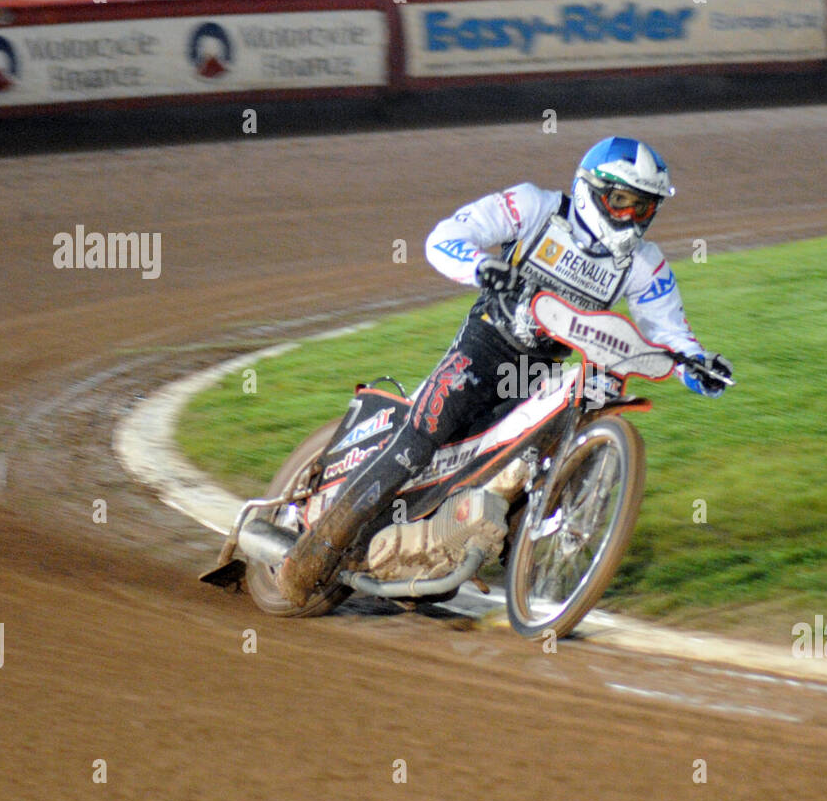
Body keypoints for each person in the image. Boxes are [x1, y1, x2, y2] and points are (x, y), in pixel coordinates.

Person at [276, 136, 732, 605]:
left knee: (537, 456)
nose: (633, 218)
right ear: (590, 190)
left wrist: (699, 367)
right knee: (423, 435)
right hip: (484, 346)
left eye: (645, 208)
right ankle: (314, 552)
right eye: (622, 202)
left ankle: (492, 547)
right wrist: (481, 267)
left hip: (540, 372)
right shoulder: (533, 206)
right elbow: (444, 238)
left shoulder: (644, 264)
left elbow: (669, 334)